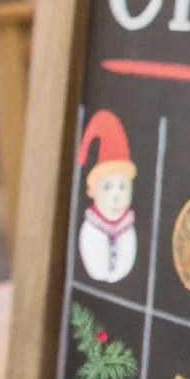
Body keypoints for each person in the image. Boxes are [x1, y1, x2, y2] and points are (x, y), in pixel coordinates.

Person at [77, 108, 137, 283]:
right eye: (108, 187)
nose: (115, 197)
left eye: (122, 187)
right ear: (95, 190)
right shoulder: (92, 229)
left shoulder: (127, 228)